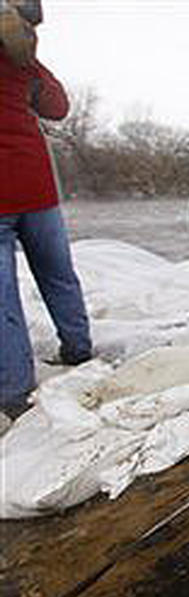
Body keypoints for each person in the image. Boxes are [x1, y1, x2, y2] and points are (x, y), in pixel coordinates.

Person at [0, 0, 92, 423]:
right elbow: (57, 108)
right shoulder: (23, 64)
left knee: (3, 298)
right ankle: (79, 350)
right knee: (58, 273)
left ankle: (14, 393)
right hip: (37, 188)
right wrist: (32, 65)